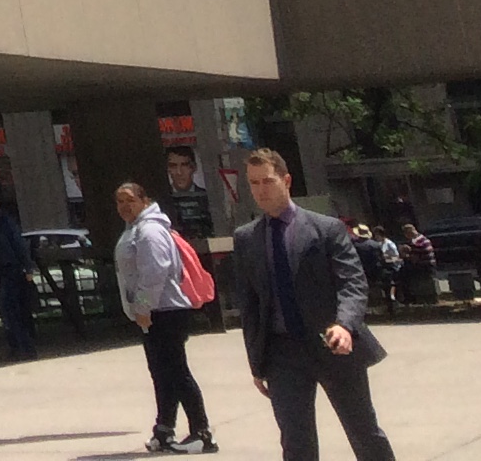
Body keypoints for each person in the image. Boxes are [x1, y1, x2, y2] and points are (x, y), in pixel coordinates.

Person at [231, 148, 394, 461]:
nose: (260, 190)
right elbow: (249, 304)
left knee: (364, 432)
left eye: (267, 181)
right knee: (296, 443)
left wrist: (345, 325)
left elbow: (352, 283)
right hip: (282, 355)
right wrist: (257, 361)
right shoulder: (247, 238)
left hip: (332, 344)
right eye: (253, 183)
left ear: (287, 180)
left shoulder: (326, 229)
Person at [115, 180, 216, 454]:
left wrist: (144, 308)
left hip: (165, 311)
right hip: (156, 312)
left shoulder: (149, 231)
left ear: (144, 200)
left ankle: (202, 432)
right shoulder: (136, 229)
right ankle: (164, 430)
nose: (124, 206)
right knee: (162, 373)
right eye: (119, 201)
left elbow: (155, 272)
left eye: (129, 200)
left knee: (176, 371)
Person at [0, 192, 40, 361]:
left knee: (12, 310)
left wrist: (28, 268)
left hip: (12, 271)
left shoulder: (6, 222)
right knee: (10, 311)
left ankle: (26, 347)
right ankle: (17, 347)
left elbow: (19, 245)